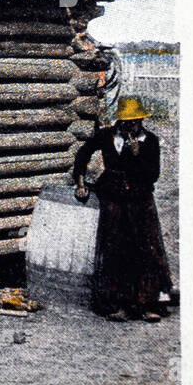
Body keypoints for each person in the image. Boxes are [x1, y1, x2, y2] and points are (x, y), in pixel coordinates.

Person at [72, 96, 174, 322]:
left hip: (140, 199)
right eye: (126, 122)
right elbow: (83, 153)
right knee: (115, 248)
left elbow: (153, 174)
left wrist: (138, 156)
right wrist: (80, 182)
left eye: (135, 122)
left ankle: (147, 303)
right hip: (113, 198)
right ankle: (115, 303)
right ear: (120, 121)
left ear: (140, 121)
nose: (131, 127)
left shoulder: (150, 141)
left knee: (146, 249)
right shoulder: (107, 136)